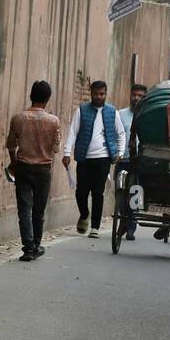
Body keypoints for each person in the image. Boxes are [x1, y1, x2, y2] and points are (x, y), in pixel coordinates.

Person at [5, 80, 61, 262]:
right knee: (39, 209)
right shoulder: (53, 121)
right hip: (43, 168)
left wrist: (13, 163)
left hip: (23, 166)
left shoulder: (18, 118)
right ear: (47, 99)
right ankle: (36, 244)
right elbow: (56, 148)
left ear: (31, 96)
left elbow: (11, 145)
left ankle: (28, 247)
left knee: (24, 209)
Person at [62, 81, 126, 238]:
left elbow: (121, 133)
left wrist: (121, 152)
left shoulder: (112, 112)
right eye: (96, 93)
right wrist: (66, 152)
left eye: (102, 94)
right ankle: (84, 215)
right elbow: (73, 132)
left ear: (106, 93)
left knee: (98, 193)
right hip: (84, 158)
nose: (99, 96)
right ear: (91, 93)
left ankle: (95, 227)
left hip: (103, 158)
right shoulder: (82, 111)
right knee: (81, 192)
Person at [117, 83, 148, 240]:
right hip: (124, 159)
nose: (136, 98)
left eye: (140, 96)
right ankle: (123, 220)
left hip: (140, 161)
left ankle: (131, 227)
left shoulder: (149, 115)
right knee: (121, 194)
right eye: (134, 95)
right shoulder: (120, 114)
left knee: (135, 193)